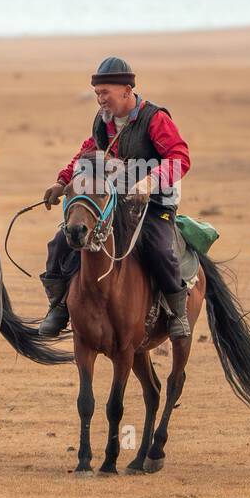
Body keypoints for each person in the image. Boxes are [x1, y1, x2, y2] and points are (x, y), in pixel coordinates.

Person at [37, 57, 192, 338]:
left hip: (154, 203)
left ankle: (176, 313)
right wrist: (62, 181)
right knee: (62, 241)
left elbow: (180, 158)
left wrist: (150, 181)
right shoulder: (104, 121)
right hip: (113, 200)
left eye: (104, 93)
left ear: (126, 90)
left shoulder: (155, 119)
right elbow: (88, 150)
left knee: (158, 247)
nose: (100, 100)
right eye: (97, 94)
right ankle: (59, 306)